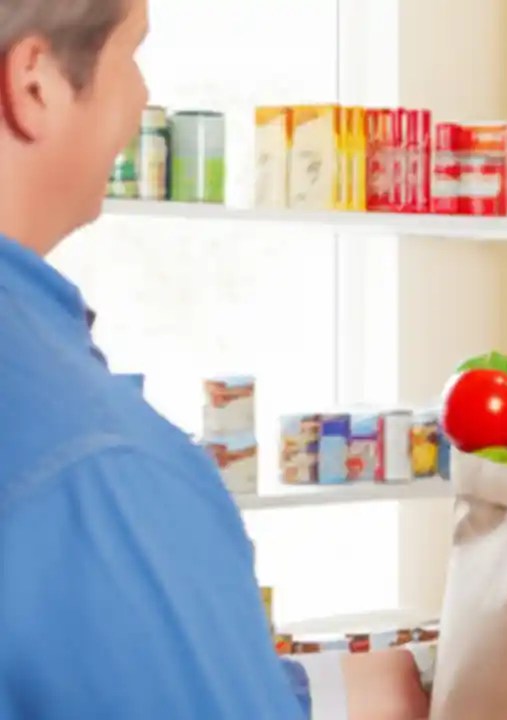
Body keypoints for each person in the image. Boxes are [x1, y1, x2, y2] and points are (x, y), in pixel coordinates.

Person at [0, 1, 430, 717]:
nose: (141, 96)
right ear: (35, 82)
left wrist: (336, 688)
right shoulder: (103, 472)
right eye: (132, 53)